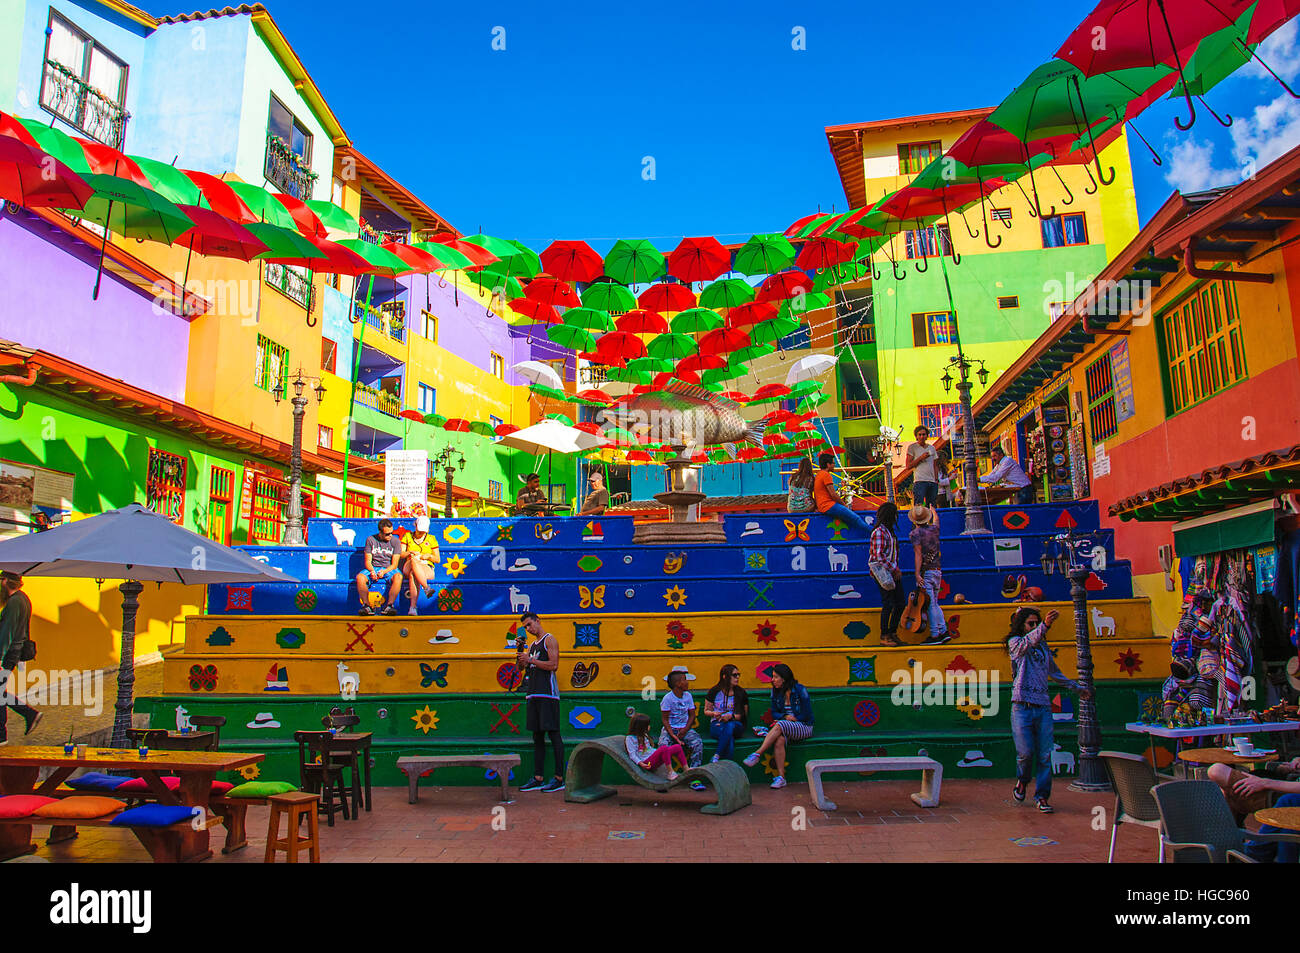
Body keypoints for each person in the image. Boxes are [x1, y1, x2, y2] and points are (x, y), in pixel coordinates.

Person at [1005, 606, 1091, 813]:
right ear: (1022, 625)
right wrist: (1044, 626)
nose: (1034, 626)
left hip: (1042, 706)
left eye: (1036, 623)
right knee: (1025, 753)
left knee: (1045, 755)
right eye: (1030, 623)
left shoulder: (1043, 647)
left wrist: (1076, 688)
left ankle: (1042, 796)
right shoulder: (1015, 643)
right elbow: (1025, 645)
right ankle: (1023, 780)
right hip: (1022, 706)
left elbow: (1055, 672)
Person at [1207, 757, 1300, 861]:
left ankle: (1250, 853)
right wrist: (1294, 762)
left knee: (1288, 803)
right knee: (1218, 773)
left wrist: (1265, 783)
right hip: (1283, 783)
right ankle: (1248, 852)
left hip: (1283, 791)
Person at [742, 663, 813, 789]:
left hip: (803, 726)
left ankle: (758, 753)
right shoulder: (776, 692)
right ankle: (781, 778)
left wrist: (794, 719)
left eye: (775, 677)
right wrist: (786, 717)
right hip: (786, 727)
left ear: (784, 678)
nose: (772, 680)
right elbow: (774, 712)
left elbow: (807, 713)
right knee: (779, 740)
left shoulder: (800, 690)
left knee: (780, 724)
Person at [516, 612, 565, 793]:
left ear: (538, 621)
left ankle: (559, 778)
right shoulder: (532, 646)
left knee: (553, 734)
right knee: (537, 736)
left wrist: (531, 659)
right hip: (533, 694)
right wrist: (521, 654)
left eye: (530, 625)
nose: (528, 629)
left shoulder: (549, 640)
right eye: (526, 627)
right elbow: (522, 668)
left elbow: (553, 665)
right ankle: (538, 777)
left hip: (548, 694)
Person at [0, 572, 41, 744]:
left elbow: (7, 633)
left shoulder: (15, 602)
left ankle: (3, 735)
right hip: (13, 654)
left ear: (6, 582)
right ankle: (28, 715)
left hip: (8, 655)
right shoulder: (22, 598)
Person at [909, 504, 949, 645]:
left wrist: (917, 573)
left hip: (926, 571)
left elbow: (918, 554)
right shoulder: (934, 529)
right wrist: (933, 511)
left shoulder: (915, 534)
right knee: (935, 603)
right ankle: (943, 630)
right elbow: (937, 521)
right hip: (937, 570)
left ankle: (935, 634)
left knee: (930, 604)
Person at [660, 670, 707, 789]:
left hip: (684, 729)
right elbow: (665, 720)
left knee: (698, 743)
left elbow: (692, 715)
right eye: (684, 679)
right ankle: (665, 776)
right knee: (662, 746)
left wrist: (685, 730)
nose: (687, 682)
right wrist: (673, 735)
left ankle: (694, 776)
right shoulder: (667, 699)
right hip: (670, 729)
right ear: (677, 683)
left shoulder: (688, 696)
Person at [870, 502, 905, 647]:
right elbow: (879, 555)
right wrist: (894, 568)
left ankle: (892, 632)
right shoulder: (880, 532)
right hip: (883, 572)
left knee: (900, 603)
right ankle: (885, 635)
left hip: (890, 570)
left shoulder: (888, 532)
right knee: (888, 603)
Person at [812, 451, 872, 534]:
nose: (834, 465)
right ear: (828, 464)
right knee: (856, 518)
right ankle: (873, 532)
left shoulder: (819, 475)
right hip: (828, 505)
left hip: (822, 506)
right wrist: (844, 505)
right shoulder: (826, 475)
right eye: (833, 463)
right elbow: (833, 494)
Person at [355, 519, 403, 616]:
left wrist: (384, 572)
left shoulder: (395, 541)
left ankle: (390, 605)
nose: (390, 536)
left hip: (388, 568)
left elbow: (394, 565)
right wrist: (372, 571)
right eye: (387, 534)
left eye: (391, 533)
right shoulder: (371, 540)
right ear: (380, 533)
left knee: (398, 577)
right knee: (360, 577)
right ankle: (366, 606)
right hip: (374, 567)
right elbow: (368, 561)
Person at [703, 664, 749, 763]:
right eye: (734, 675)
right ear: (725, 676)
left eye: (738, 675)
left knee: (730, 725)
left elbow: (743, 715)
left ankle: (717, 755)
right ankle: (729, 767)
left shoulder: (741, 693)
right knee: (729, 738)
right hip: (718, 724)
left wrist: (730, 716)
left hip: (736, 725)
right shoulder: (714, 692)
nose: (737, 677)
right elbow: (706, 711)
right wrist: (714, 713)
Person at [625, 712, 685, 781]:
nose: (649, 726)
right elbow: (632, 755)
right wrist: (641, 764)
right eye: (647, 725)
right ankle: (670, 772)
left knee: (677, 747)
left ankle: (686, 769)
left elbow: (649, 749)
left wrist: (658, 752)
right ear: (641, 727)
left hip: (652, 758)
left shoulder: (644, 735)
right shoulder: (630, 738)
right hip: (647, 763)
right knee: (664, 748)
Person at [399, 515, 440, 616]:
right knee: (413, 561)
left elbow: (437, 559)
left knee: (414, 574)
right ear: (415, 525)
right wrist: (410, 552)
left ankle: (413, 607)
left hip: (425, 566)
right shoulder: (407, 536)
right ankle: (426, 587)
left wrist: (428, 556)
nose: (421, 532)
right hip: (409, 564)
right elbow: (401, 554)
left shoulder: (431, 539)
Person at [900, 426, 939, 506]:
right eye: (919, 434)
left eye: (924, 434)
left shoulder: (932, 448)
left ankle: (931, 518)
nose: (922, 436)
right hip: (920, 481)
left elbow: (935, 465)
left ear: (927, 435)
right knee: (919, 505)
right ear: (916, 436)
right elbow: (908, 466)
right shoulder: (912, 448)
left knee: (932, 506)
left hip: (932, 481)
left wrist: (936, 479)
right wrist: (921, 458)